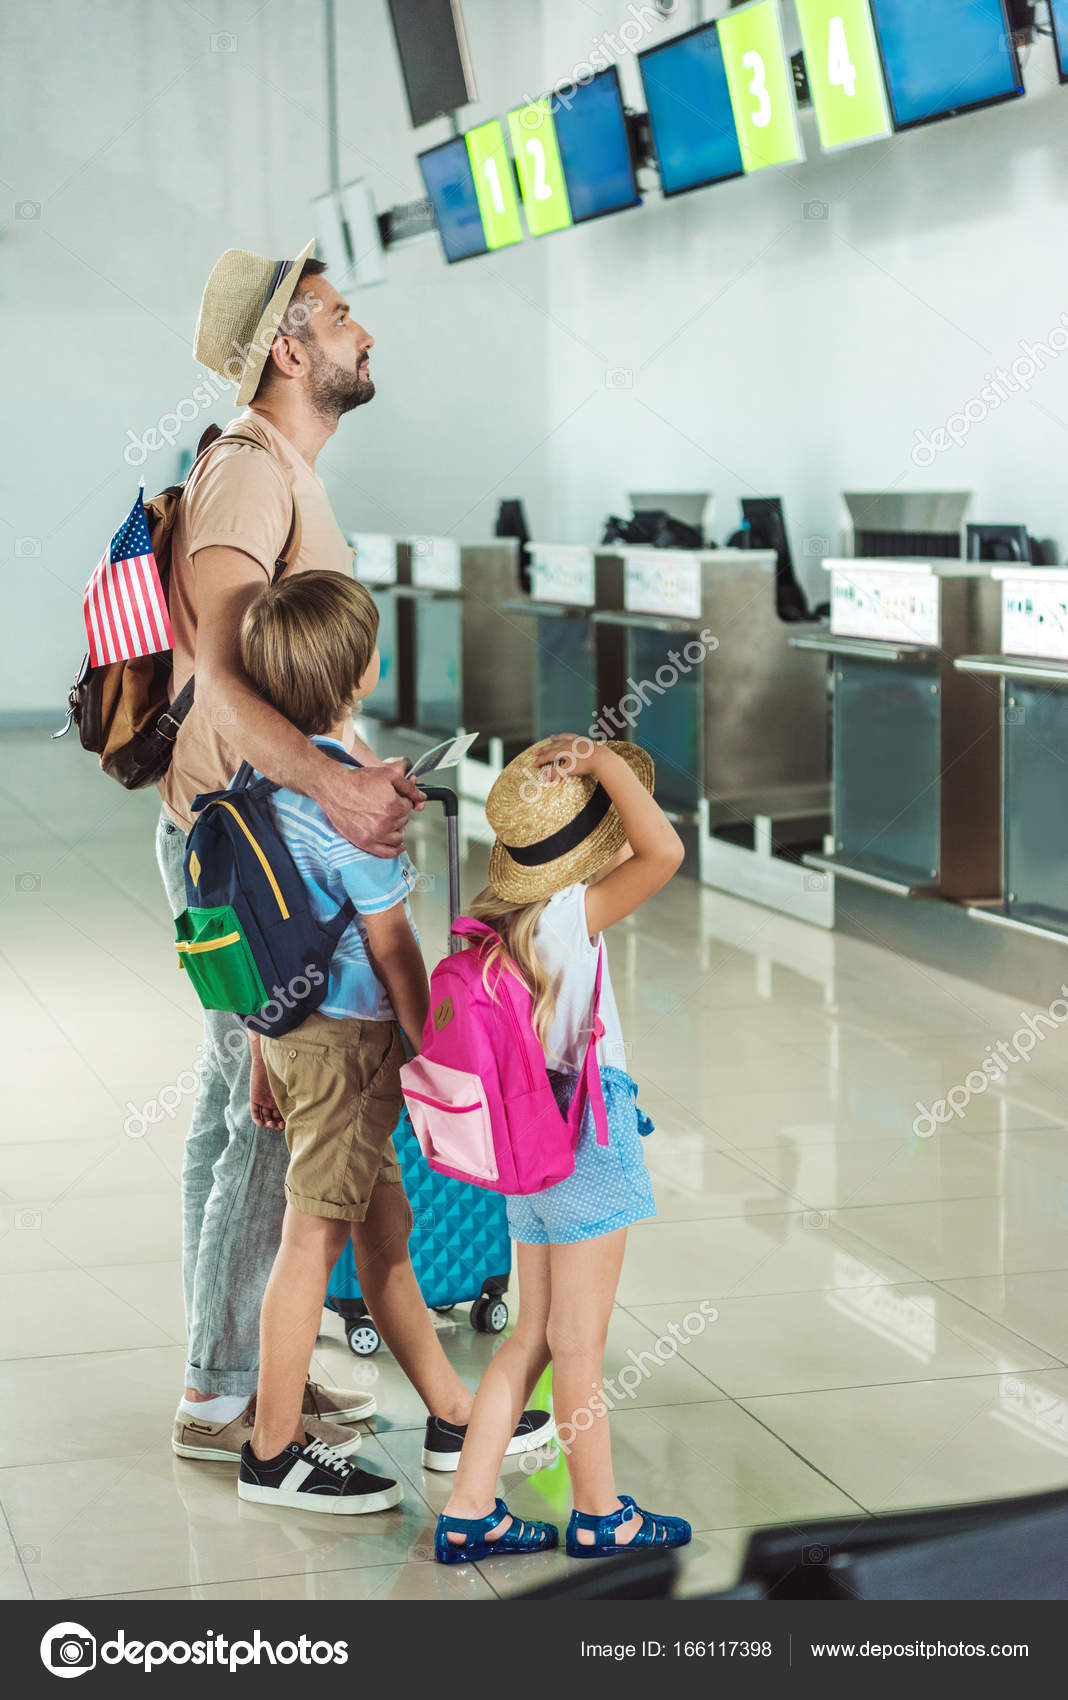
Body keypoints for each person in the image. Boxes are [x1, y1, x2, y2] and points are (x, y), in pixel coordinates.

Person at [160, 240, 424, 1461]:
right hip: (256, 850)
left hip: (264, 833)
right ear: (289, 347)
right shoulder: (247, 473)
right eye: (340, 314)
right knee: (277, 1102)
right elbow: (220, 671)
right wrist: (335, 785)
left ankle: (235, 1363)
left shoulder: (282, 472)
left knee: (239, 1103)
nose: (360, 330)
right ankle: (224, 1391)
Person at [233, 571, 554, 1512]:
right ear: (361, 672)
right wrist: (440, 1053)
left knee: (387, 1237)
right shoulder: (356, 815)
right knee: (310, 1245)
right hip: (347, 1052)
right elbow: (396, 952)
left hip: (294, 1038)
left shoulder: (272, 776)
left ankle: (453, 1414)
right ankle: (274, 1452)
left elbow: (268, 931)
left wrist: (261, 1051)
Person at [434, 735, 694, 1562]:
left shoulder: (499, 924)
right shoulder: (570, 919)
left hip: (528, 1140)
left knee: (532, 1337)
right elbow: (666, 851)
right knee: (581, 1347)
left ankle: (471, 1509)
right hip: (583, 1137)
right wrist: (608, 767)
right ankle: (600, 1514)